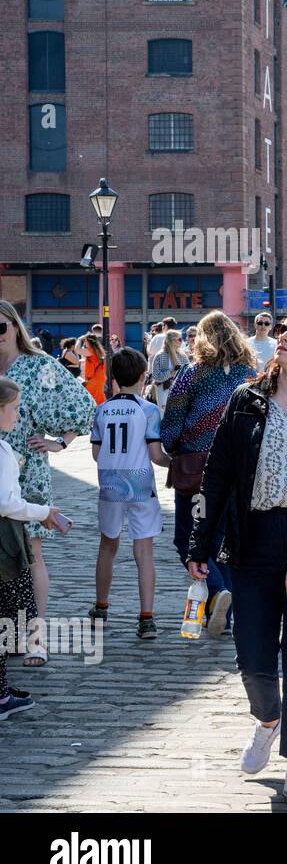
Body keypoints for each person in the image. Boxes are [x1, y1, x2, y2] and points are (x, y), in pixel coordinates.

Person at [187, 309, 287, 810]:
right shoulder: (247, 400)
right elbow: (217, 474)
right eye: (280, 331)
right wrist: (199, 541)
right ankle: (268, 720)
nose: (281, 338)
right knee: (253, 656)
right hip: (252, 541)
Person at [0, 301, 95, 667]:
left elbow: (83, 406)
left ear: (15, 326)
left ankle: (35, 638)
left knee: (31, 554)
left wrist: (62, 442)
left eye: (1, 327)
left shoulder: (39, 364)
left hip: (28, 471)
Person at [161, 311, 258, 639]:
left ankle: (217, 593)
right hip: (236, 469)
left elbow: (172, 423)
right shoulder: (249, 374)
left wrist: (176, 447)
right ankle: (225, 616)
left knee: (186, 536)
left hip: (196, 468)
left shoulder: (192, 373)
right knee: (222, 542)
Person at [0, 377, 69, 719]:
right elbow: (7, 503)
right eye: (13, 409)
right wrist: (43, 512)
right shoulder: (2, 452)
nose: (18, 415)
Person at [89, 349, 170, 640]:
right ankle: (146, 617)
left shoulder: (102, 409)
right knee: (144, 550)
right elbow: (155, 455)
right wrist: (175, 462)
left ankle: (100, 607)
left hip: (110, 482)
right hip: (139, 483)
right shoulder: (148, 410)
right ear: (142, 376)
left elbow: (97, 454)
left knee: (107, 546)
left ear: (114, 379)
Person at [149, 330, 187, 414]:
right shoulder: (159, 355)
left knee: (178, 415)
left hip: (180, 391)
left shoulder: (182, 355)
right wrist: (171, 373)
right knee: (164, 415)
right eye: (179, 339)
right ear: (172, 341)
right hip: (163, 389)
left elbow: (189, 374)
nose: (182, 341)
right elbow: (155, 376)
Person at [79, 334, 108, 405]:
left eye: (85, 341)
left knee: (92, 400)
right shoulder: (98, 350)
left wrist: (79, 339)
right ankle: (104, 412)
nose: (84, 343)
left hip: (94, 379)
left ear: (89, 342)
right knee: (99, 398)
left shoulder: (90, 351)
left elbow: (77, 350)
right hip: (99, 378)